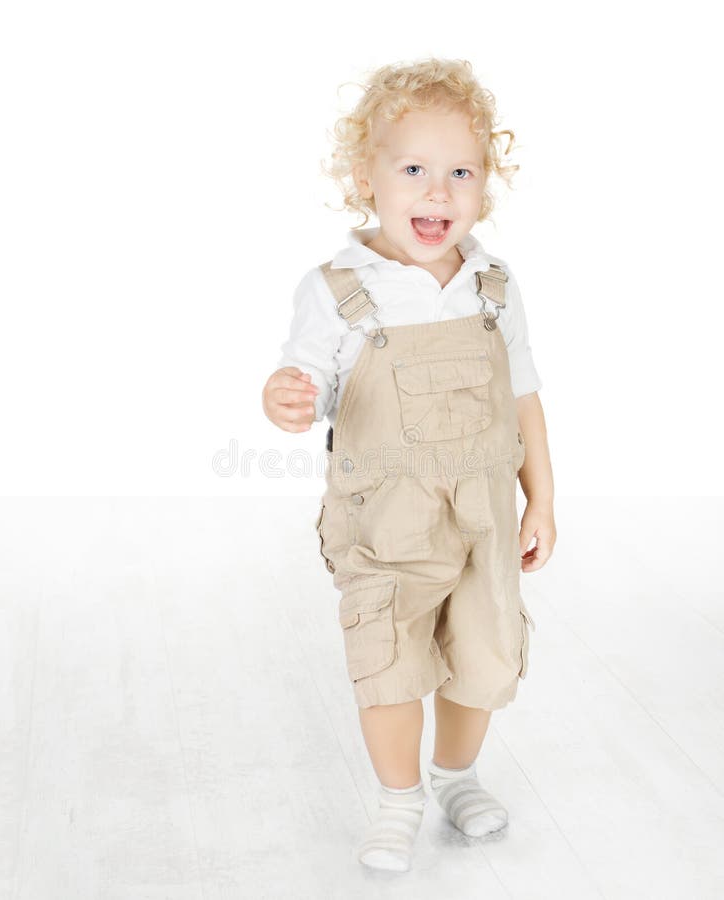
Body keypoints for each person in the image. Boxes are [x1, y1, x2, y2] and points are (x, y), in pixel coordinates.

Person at [262, 57, 556, 873]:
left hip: (484, 516)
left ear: (486, 182)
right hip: (384, 523)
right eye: (414, 170)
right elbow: (304, 382)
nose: (438, 192)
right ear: (366, 177)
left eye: (460, 172)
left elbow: (523, 397)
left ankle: (456, 777)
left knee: (483, 652)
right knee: (388, 659)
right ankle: (398, 802)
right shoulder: (338, 289)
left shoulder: (492, 284)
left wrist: (540, 499)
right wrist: (283, 398)